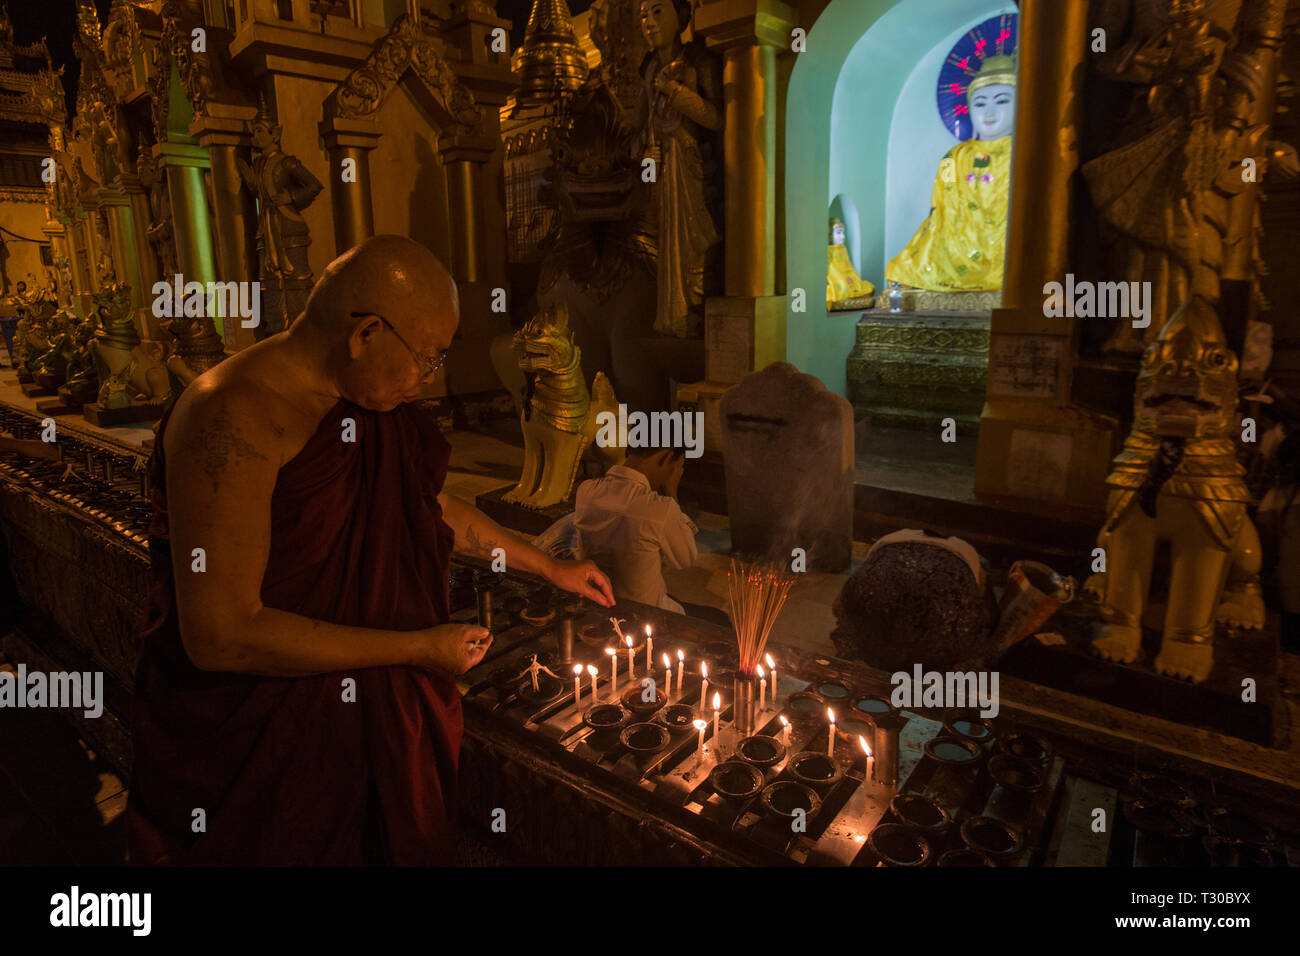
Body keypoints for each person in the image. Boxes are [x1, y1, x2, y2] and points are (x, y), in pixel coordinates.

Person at [124, 235, 614, 865]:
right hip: (256, 744)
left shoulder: (366, 401)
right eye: (428, 360)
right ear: (365, 335)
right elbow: (221, 635)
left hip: (355, 724)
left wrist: (551, 566)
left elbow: (427, 506)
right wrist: (418, 647)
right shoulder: (233, 417)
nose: (428, 380)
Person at [539, 445, 725, 624]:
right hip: (646, 615)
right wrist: (672, 492)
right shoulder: (660, 507)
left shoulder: (587, 491)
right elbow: (686, 558)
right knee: (718, 618)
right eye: (673, 468)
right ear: (667, 457)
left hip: (598, 604)